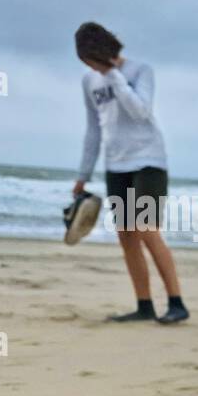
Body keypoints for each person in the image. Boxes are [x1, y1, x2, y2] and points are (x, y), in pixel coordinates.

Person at [72, 22, 189, 324]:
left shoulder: (140, 71)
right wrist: (83, 175)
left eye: (91, 60)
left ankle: (177, 303)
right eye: (86, 63)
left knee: (147, 228)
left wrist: (114, 76)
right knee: (126, 236)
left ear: (102, 53)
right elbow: (93, 130)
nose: (91, 68)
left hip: (148, 160)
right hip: (116, 165)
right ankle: (144, 306)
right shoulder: (89, 82)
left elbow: (141, 111)